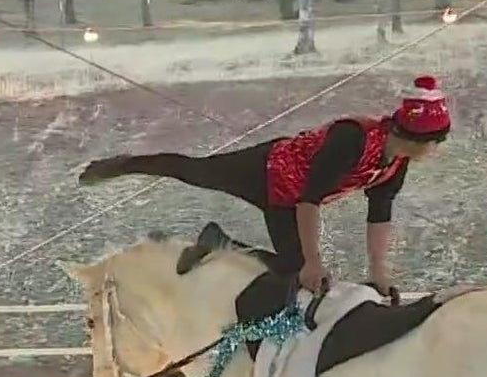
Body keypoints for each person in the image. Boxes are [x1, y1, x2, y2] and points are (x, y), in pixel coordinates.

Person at [77, 75, 451, 293]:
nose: (435, 151)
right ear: (418, 138)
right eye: (434, 143)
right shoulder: (353, 138)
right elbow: (310, 199)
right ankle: (127, 164)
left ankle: (217, 243)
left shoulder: (395, 163)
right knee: (196, 171)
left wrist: (378, 275)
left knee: (291, 268)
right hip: (266, 169)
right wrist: (315, 261)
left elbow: (379, 216)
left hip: (284, 201)